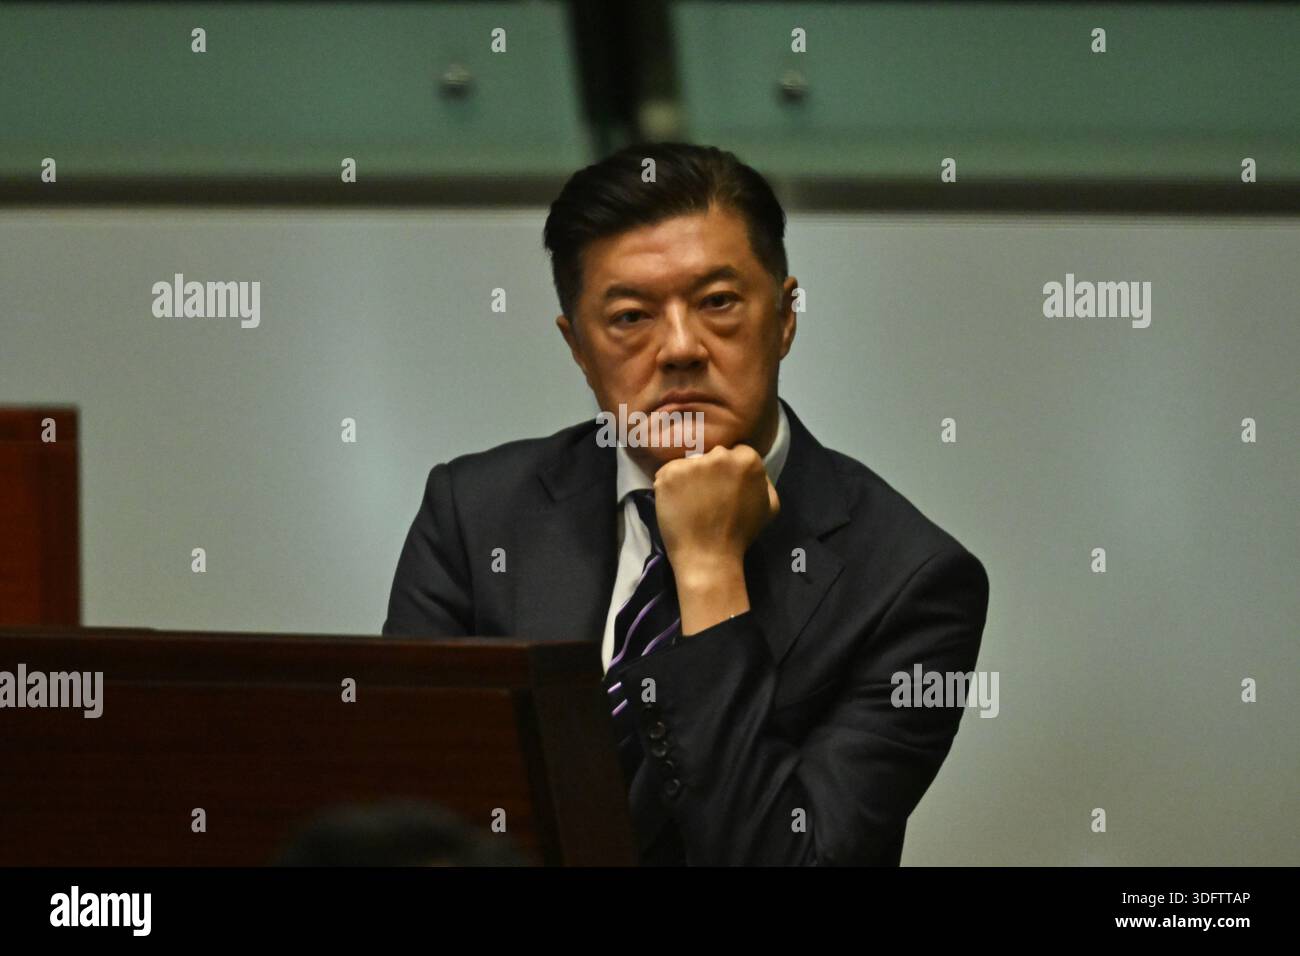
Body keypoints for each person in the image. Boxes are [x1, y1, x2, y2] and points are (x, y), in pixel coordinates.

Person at [384, 142, 989, 865]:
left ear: (786, 316)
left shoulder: (910, 582)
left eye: (719, 303)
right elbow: (404, 822)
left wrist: (707, 573)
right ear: (577, 346)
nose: (680, 348)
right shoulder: (473, 514)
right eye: (632, 317)